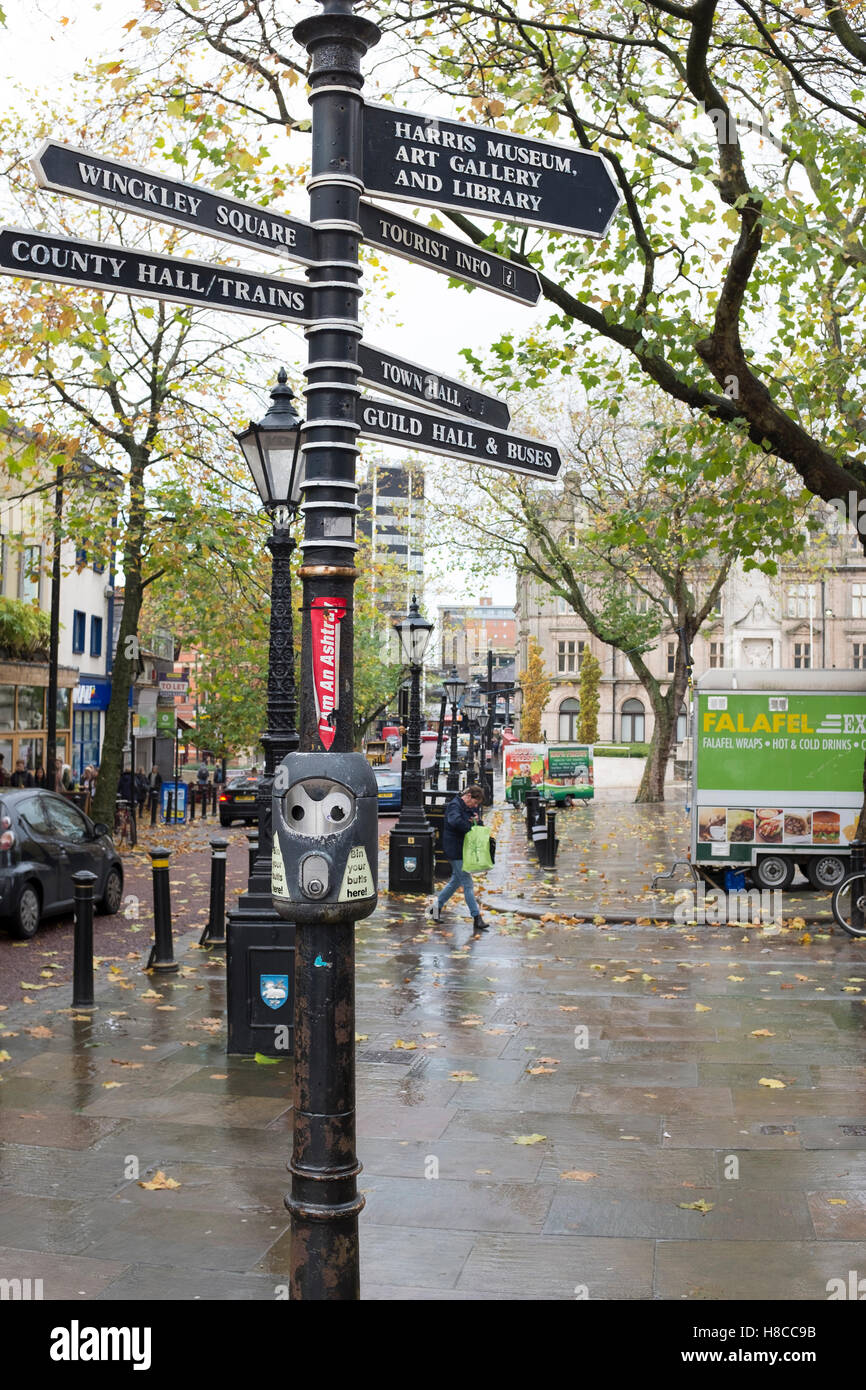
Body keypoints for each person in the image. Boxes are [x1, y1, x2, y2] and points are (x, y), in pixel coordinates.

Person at [429, 784, 490, 933]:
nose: (475, 806)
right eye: (474, 803)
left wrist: (477, 820)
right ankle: (477, 918)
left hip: (464, 849)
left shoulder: (469, 807)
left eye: (477, 804)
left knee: (455, 881)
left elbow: (476, 823)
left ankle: (434, 909)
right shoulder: (454, 805)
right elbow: (455, 822)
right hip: (454, 849)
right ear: (468, 796)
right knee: (468, 884)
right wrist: (470, 825)